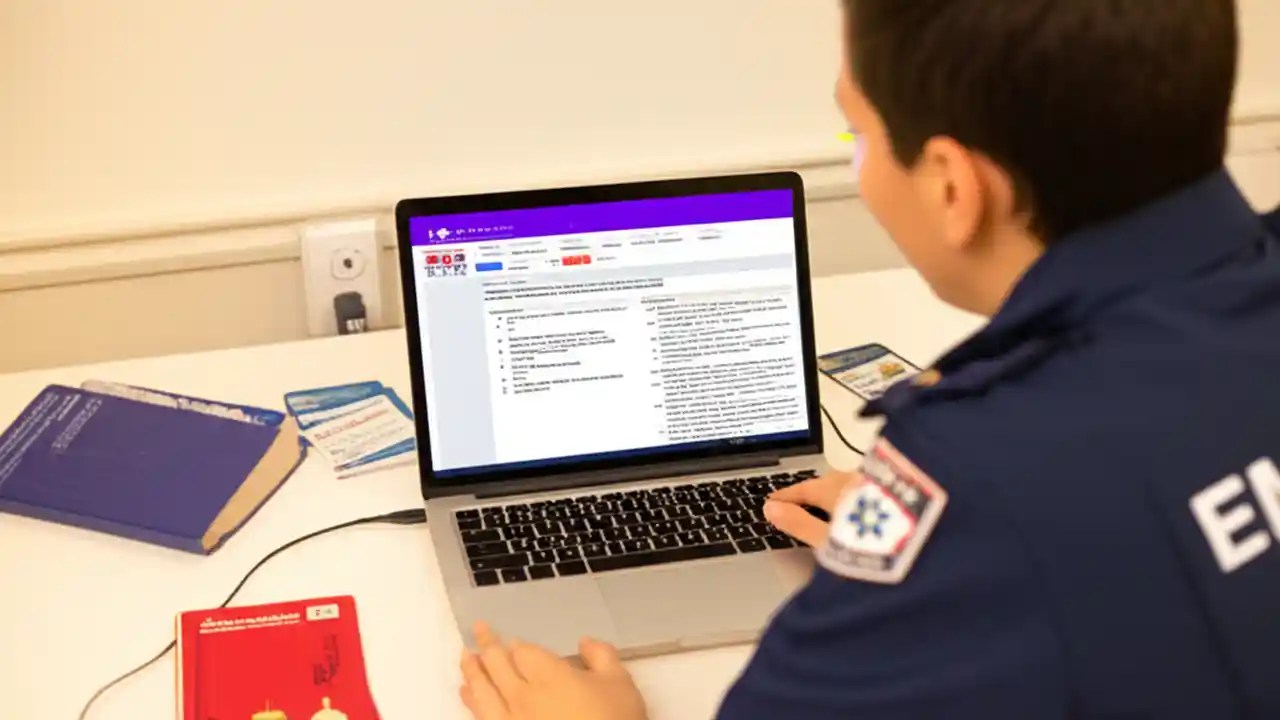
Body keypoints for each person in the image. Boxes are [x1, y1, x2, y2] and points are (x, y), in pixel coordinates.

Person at [456, 0, 1280, 717]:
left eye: (857, 133)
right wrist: (956, 535)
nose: (856, 158)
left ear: (954, 188)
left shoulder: (976, 471)